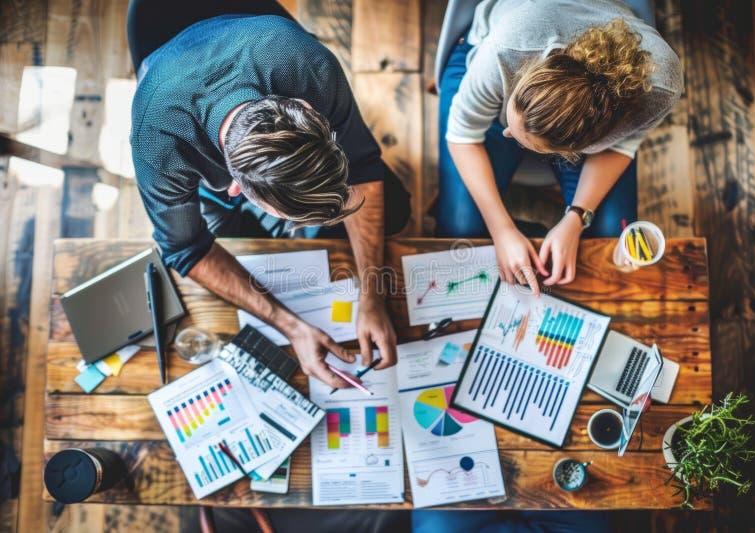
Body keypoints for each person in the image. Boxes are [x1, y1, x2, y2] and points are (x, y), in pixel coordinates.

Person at [129, 5, 411, 391]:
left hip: (257, 35)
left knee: (395, 209)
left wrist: (372, 297)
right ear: (235, 189)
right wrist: (291, 327)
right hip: (162, 53)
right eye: (291, 217)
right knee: (238, 243)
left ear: (307, 111)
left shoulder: (307, 61)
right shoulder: (159, 143)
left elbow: (361, 169)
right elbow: (186, 250)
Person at [437, 0, 683, 295]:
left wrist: (577, 217)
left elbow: (624, 145)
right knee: (460, 230)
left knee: (610, 238)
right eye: (512, 126)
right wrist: (501, 229)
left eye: (521, 141)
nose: (506, 134)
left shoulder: (659, 88)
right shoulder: (508, 47)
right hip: (483, 59)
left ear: (579, 150)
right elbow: (462, 134)